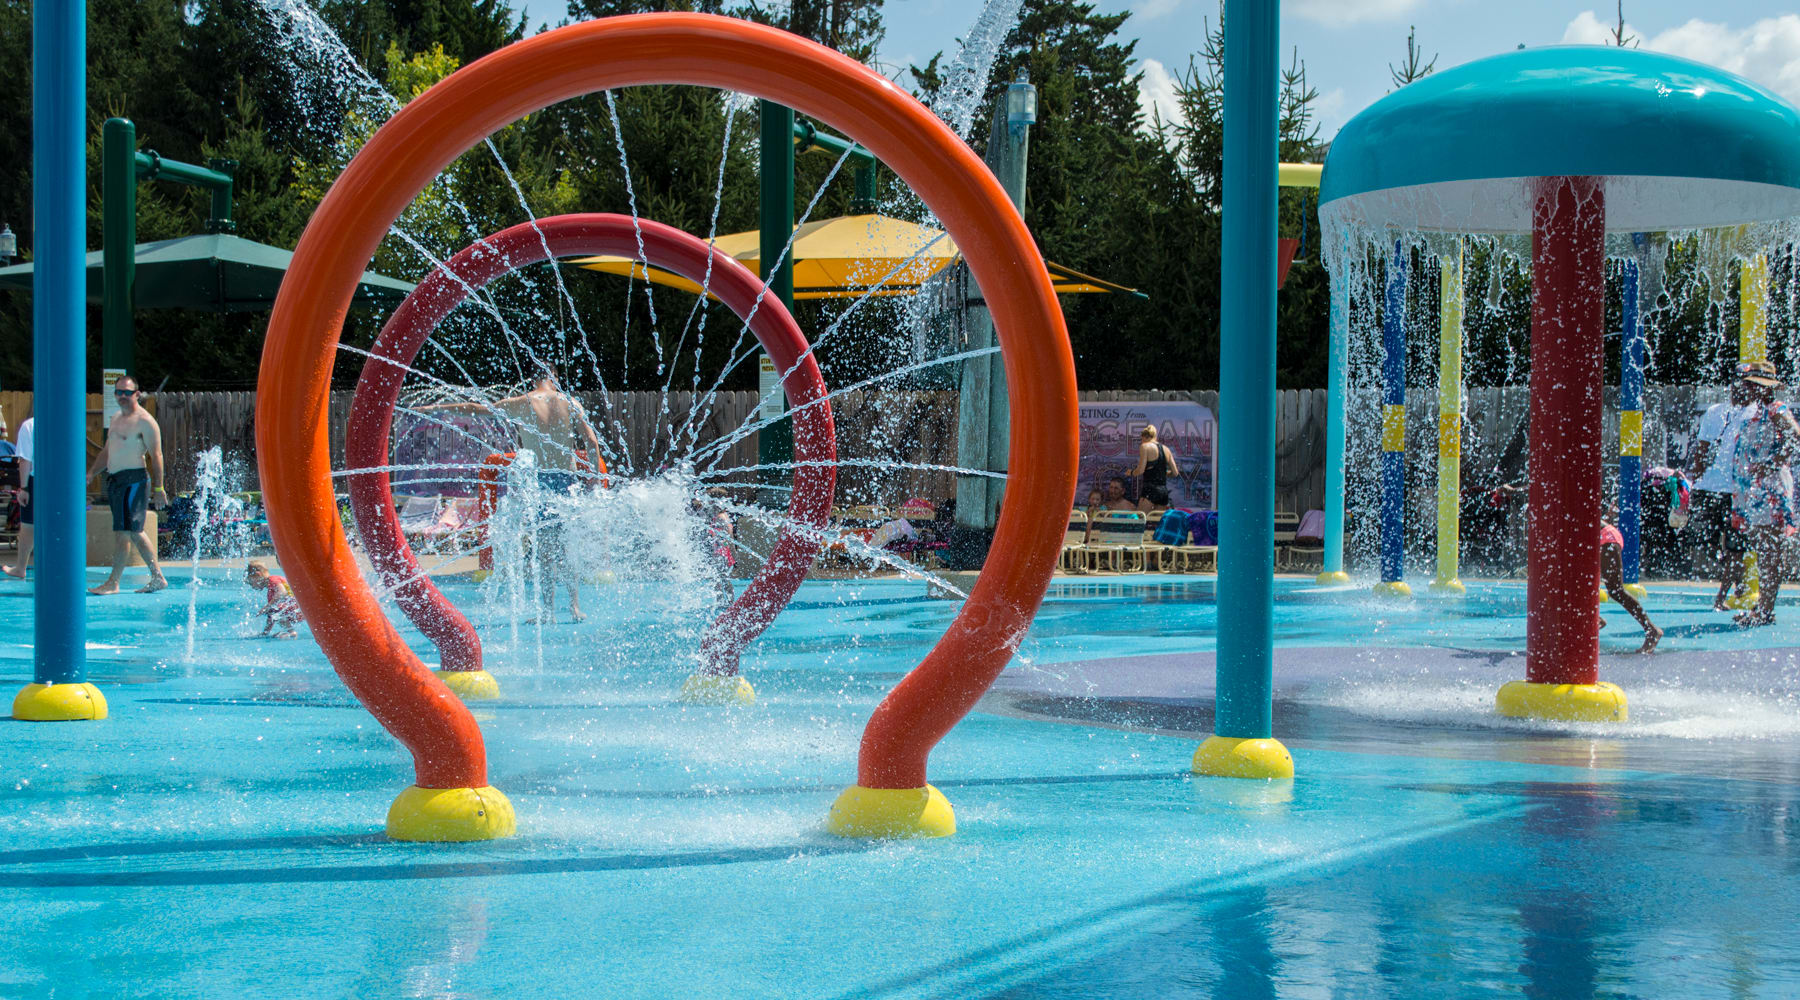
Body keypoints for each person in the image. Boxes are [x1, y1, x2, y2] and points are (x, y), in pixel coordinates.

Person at [420, 361, 600, 623]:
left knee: (543, 548)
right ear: (555, 378)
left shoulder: (521, 403)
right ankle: (574, 607)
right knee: (567, 544)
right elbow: (592, 443)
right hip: (568, 479)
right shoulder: (571, 403)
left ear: (532, 379)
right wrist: (593, 481)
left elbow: (474, 410)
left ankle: (546, 611)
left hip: (540, 482)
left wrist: (432, 409)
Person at [1728, 360, 1799, 626]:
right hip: (1757, 490)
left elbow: (1796, 437)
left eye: (1748, 385)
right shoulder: (1756, 412)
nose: (1743, 389)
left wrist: (1772, 462)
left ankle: (1765, 611)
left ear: (1760, 387)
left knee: (1771, 552)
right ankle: (1763, 608)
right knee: (1764, 550)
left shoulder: (1776, 409)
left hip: (1772, 490)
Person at [86, 376, 169, 595]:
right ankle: (154, 577)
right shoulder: (115, 418)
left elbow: (157, 455)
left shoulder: (145, 421)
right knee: (128, 532)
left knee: (129, 531)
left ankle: (116, 582)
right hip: (115, 481)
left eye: (127, 392)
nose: (122, 396)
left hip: (135, 481)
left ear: (137, 394)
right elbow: (107, 451)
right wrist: (91, 472)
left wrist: (159, 489)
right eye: (119, 392)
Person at [1688, 378, 1754, 609]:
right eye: (1735, 388)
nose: (1738, 393)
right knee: (1706, 544)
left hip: (1737, 492)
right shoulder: (1716, 411)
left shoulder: (1755, 413)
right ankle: (1733, 575)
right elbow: (1702, 446)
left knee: (1737, 547)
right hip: (1708, 488)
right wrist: (1694, 479)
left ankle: (1723, 595)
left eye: (1744, 389)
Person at [1599, 517, 1661, 653]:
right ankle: (1595, 620)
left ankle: (1651, 630)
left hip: (1606, 538)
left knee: (1616, 590)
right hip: (1599, 539)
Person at [3, 413, 33, 580]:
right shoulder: (65, 424)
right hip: (62, 482)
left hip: (36, 480)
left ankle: (20, 567)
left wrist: (24, 487)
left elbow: (25, 459)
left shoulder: (29, 426)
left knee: (28, 526)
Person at [245, 560, 302, 638]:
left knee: (275, 610)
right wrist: (265, 633)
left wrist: (267, 606)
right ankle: (290, 630)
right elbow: (271, 615)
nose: (252, 586)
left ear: (258, 575)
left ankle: (292, 632)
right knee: (273, 611)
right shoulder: (270, 590)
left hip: (296, 609)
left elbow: (282, 592)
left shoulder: (273, 579)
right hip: (297, 610)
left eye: (251, 582)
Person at [1132, 425, 1179, 512]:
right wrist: (1162, 473)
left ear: (1145, 437)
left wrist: (1131, 472)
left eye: (1141, 439)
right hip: (1163, 492)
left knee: (1140, 519)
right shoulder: (1166, 449)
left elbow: (1141, 470)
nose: (1141, 442)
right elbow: (1175, 473)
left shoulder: (1145, 446)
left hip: (1150, 490)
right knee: (1158, 522)